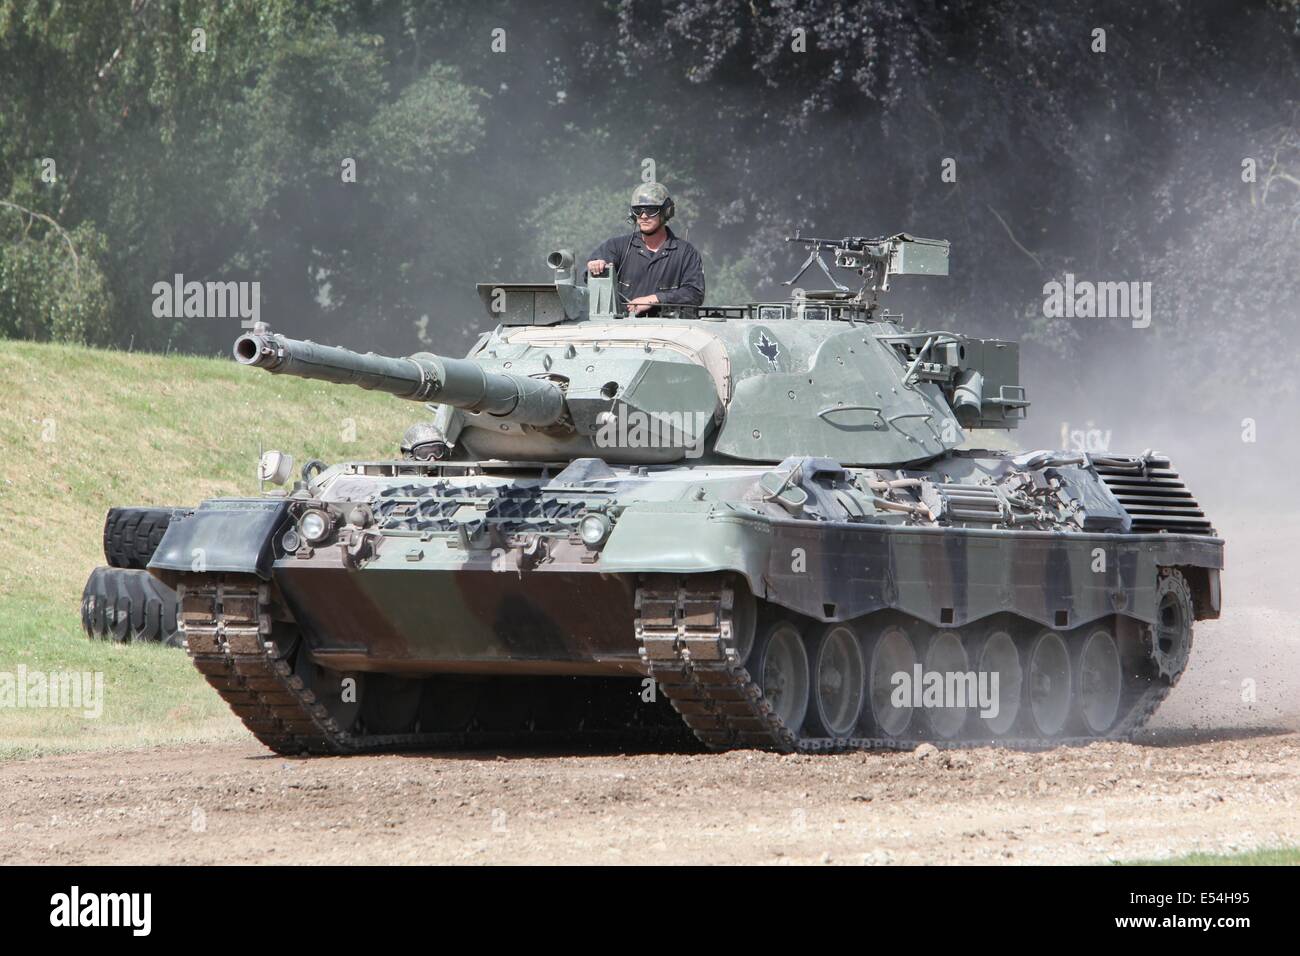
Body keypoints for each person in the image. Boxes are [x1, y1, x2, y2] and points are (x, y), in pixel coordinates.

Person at [586, 183, 705, 315]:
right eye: (638, 211)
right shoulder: (616, 247)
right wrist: (596, 266)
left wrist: (654, 299)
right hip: (624, 325)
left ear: (666, 212)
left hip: (666, 326)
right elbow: (589, 274)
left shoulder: (686, 253)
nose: (643, 216)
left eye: (651, 210)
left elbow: (695, 293)